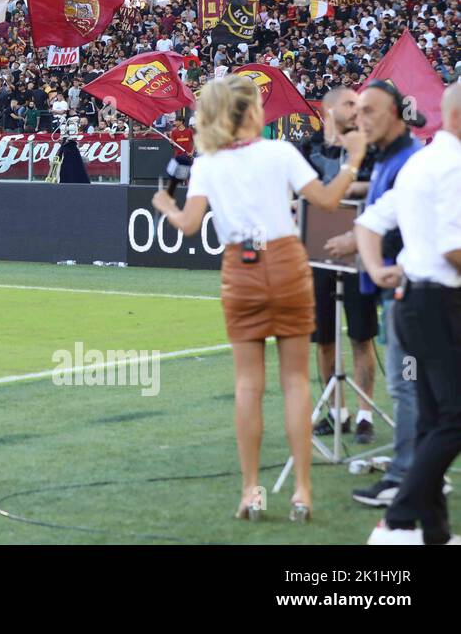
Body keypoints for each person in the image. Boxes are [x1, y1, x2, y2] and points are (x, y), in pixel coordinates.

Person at [152, 74, 367, 523]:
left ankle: (251, 491)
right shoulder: (281, 152)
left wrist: (166, 207)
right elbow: (327, 201)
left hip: (241, 268)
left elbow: (188, 224)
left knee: (249, 385)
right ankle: (302, 492)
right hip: (287, 261)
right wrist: (354, 161)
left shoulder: (209, 162)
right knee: (294, 382)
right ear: (251, 112)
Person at [356, 81, 461, 545]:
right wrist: (381, 269)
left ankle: (434, 533)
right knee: (452, 419)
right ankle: (397, 522)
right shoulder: (452, 165)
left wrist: (380, 269)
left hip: (412, 304)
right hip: (439, 303)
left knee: (434, 420)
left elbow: (368, 222)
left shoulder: (421, 162)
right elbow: (454, 247)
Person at [322, 81, 426, 504]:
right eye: (357, 111)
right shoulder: (389, 158)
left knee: (410, 382)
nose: (359, 118)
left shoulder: (412, 161)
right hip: (398, 291)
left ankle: (410, 476)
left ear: (397, 114)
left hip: (417, 295)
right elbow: (377, 213)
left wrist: (384, 260)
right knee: (411, 383)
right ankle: (418, 471)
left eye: (369, 111)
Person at [297, 87, 379, 443]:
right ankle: (336, 411)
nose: (356, 109)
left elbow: (377, 189)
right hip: (317, 252)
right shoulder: (307, 149)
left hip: (359, 251)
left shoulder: (370, 147)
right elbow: (298, 195)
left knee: (362, 335)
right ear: (329, 110)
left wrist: (339, 191)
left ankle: (364, 414)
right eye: (349, 103)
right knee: (324, 339)